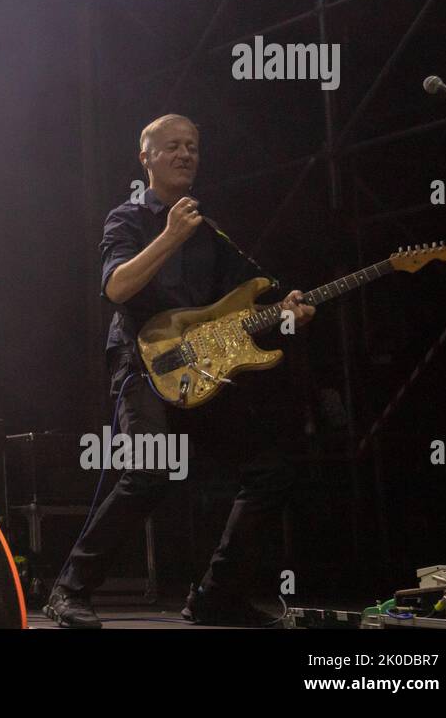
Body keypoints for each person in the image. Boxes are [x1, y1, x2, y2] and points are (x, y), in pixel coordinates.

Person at [45, 114, 315, 628]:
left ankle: (216, 594)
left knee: (270, 471)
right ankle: (69, 590)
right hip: (144, 364)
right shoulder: (127, 219)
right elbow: (117, 289)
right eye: (171, 146)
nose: (185, 154)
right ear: (145, 158)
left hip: (203, 371)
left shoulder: (211, 231)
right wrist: (169, 235)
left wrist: (287, 309)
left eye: (192, 146)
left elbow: (246, 302)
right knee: (148, 470)